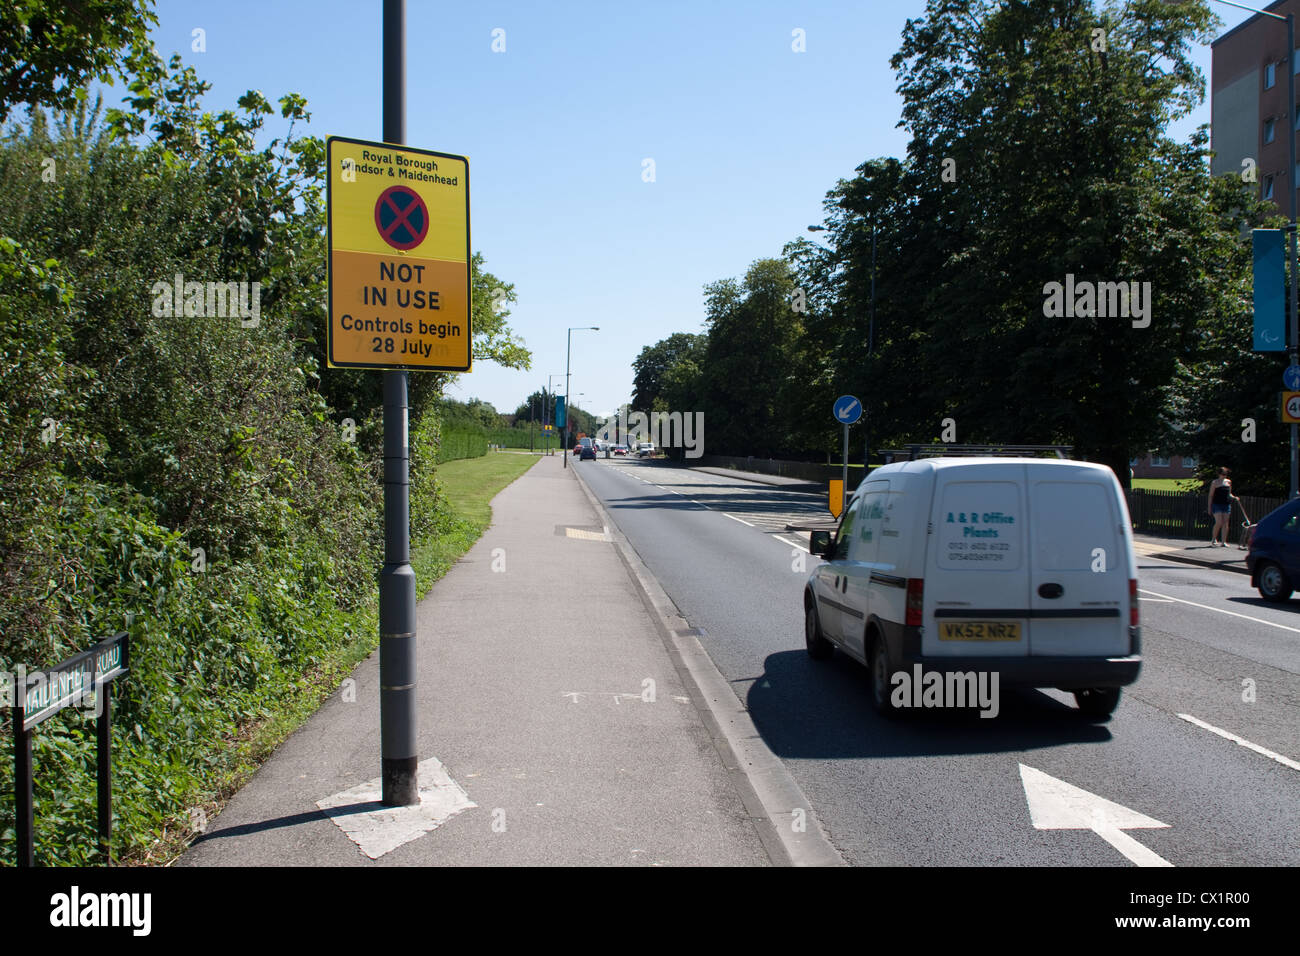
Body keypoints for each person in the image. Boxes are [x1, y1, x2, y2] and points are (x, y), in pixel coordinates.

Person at [1208, 467, 1239, 547]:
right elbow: (1211, 496)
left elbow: (1229, 494)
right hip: (1216, 504)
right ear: (1219, 474)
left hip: (1226, 504)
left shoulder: (1228, 482)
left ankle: (1223, 541)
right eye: (1223, 474)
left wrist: (1234, 497)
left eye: (1225, 474)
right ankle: (1214, 539)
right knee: (1219, 522)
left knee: (1225, 523)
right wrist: (1209, 507)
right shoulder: (1215, 482)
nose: (1224, 476)